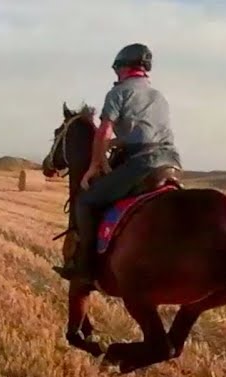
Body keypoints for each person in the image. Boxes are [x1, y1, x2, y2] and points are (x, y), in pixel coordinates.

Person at [55, 43, 183, 285]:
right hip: (172, 163)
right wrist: (117, 143)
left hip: (142, 164)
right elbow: (146, 133)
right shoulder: (159, 97)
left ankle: (84, 268)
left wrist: (94, 165)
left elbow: (103, 129)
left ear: (122, 68)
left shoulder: (119, 92)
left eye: (118, 70)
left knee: (86, 200)